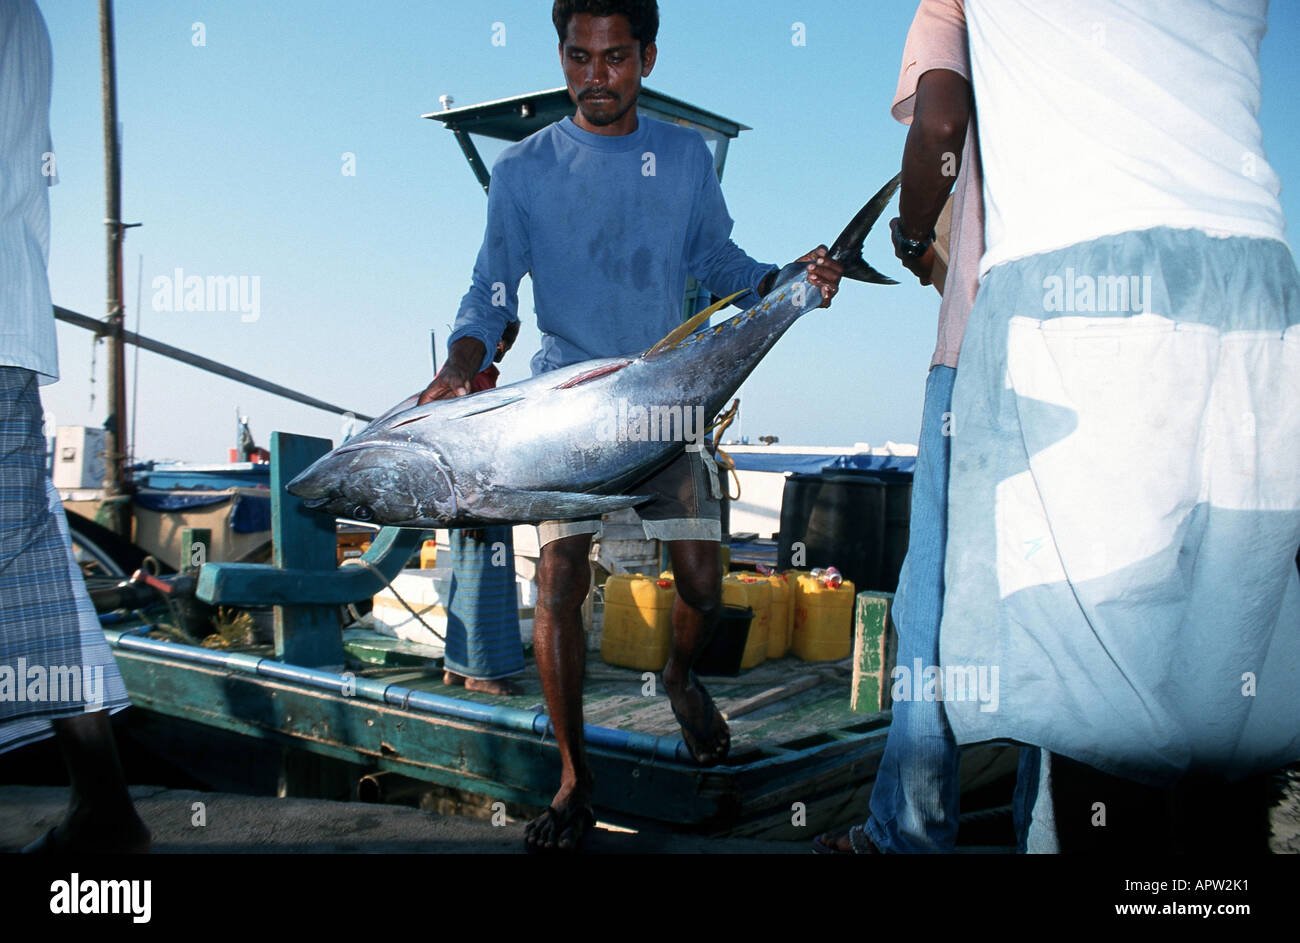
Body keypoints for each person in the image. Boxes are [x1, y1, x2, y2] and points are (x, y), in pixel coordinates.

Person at [417, 0, 845, 851]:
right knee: (559, 582)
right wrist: (461, 364)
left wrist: (787, 279)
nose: (594, 77)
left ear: (647, 57)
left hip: (664, 404)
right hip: (565, 413)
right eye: (578, 57)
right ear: (563, 55)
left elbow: (718, 263)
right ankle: (575, 777)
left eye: (614, 58)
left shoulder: (684, 156)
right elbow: (491, 294)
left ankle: (681, 675)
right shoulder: (522, 171)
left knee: (701, 582)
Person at [940, 0, 1300, 851]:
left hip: (1090, 291)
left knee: (1104, 708)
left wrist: (918, 229)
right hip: (1259, 290)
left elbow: (940, 117)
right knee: (1226, 716)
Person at [0, 0, 150, 854]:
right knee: (26, 562)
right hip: (10, 327)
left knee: (24, 560)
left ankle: (104, 807)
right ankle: (102, 802)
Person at [442, 321, 527, 696]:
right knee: (485, 584)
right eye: (501, 342)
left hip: (467, 499)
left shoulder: (474, 375)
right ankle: (481, 672)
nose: (503, 349)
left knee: (467, 580)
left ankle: (456, 667)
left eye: (506, 343)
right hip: (476, 500)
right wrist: (471, 505)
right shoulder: (473, 378)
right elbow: (463, 445)